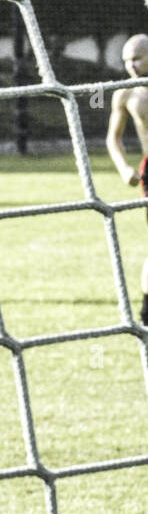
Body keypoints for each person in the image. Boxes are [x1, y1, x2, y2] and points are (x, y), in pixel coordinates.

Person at [105, 33, 148, 327]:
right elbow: (113, 139)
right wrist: (123, 169)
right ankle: (146, 314)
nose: (131, 65)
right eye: (126, 60)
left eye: (137, 58)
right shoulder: (125, 93)